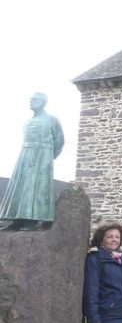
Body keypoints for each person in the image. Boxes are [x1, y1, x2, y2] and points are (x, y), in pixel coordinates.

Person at [0, 93, 64, 230]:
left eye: (34, 99)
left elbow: (59, 141)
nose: (31, 101)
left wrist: (48, 157)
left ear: (43, 102)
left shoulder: (52, 120)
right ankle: (16, 220)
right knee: (20, 186)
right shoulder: (27, 121)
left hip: (43, 157)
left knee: (38, 188)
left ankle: (32, 220)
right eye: (30, 99)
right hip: (25, 155)